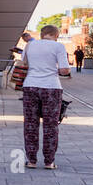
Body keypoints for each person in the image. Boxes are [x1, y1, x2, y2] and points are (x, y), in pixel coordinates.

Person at [19, 24, 71, 169]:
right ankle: (49, 161)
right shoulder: (58, 47)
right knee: (51, 125)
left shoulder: (29, 46)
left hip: (30, 85)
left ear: (42, 34)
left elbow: (24, 63)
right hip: (51, 88)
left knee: (30, 124)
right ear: (56, 35)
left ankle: (31, 161)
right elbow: (64, 70)